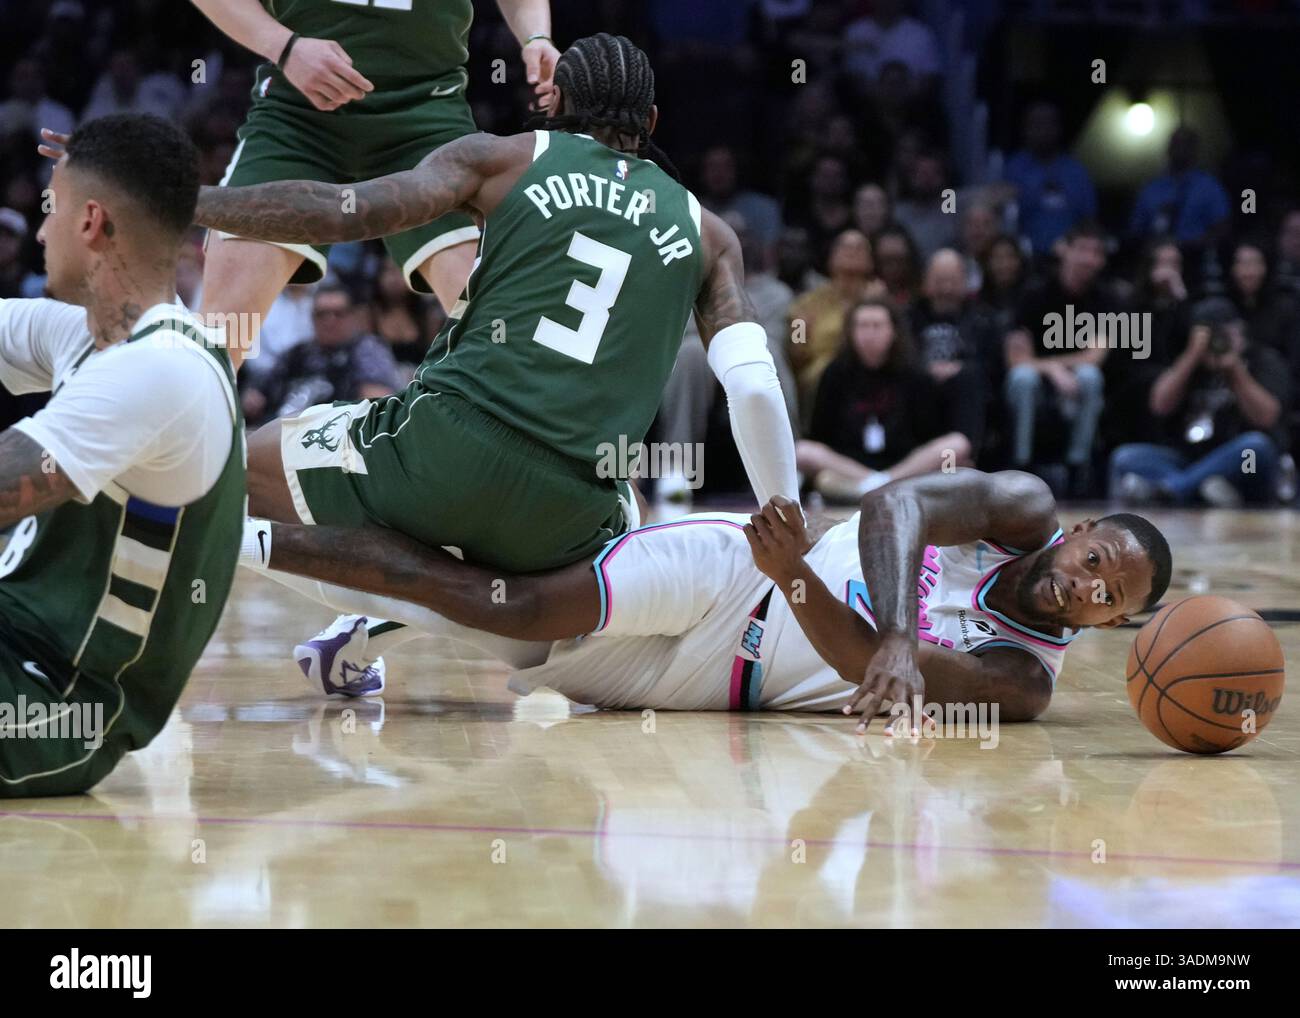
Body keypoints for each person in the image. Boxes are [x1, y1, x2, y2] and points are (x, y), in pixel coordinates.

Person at [187, 34, 800, 692]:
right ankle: (363, 633)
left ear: (554, 101)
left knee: (242, 466)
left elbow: (347, 212)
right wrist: (787, 524)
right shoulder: (711, 234)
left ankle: (191, 549)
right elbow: (757, 391)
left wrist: (187, 201)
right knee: (616, 529)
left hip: (440, 447)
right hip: (567, 510)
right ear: (650, 123)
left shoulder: (500, 158)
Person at [239, 471, 1170, 734]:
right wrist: (890, 625)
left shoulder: (1024, 682)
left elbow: (864, 672)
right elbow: (897, 503)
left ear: (1110, 624)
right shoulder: (1023, 511)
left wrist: (806, 578)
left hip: (711, 686)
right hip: (737, 570)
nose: (1089, 583)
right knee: (515, 603)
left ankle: (356, 635)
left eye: (1109, 597)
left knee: (502, 633)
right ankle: (232, 540)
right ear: (1082, 529)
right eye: (1100, 559)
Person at [0, 114, 244, 796]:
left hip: (55, 708)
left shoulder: (159, 369)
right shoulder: (93, 337)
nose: (40, 232)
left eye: (50, 211)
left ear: (92, 224)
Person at [187, 0, 562, 369]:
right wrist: (283, 46)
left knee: (502, 339)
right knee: (216, 345)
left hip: (426, 119)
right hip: (296, 116)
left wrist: (535, 37)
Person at [1109, 300, 1289, 508]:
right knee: (1125, 458)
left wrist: (1235, 369)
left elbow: (1267, 417)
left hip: (1244, 465)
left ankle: (1172, 489)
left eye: (1223, 333)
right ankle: (1200, 488)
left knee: (1255, 446)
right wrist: (1191, 356)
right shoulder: (1191, 364)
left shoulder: (1263, 360)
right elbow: (1159, 405)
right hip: (1193, 458)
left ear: (1239, 330)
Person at [796, 300, 969, 502]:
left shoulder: (915, 372)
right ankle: (877, 485)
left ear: (893, 331)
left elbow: (932, 434)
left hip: (904, 465)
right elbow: (820, 434)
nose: (869, 334)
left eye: (877, 326)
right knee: (801, 451)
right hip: (849, 466)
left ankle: (879, 485)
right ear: (850, 332)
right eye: (862, 326)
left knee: (956, 445)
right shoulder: (835, 372)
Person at [1002, 222, 1115, 495]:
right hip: (1036, 384)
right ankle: (1021, 467)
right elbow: (1016, 360)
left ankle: (1078, 468)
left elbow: (1094, 358)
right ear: (1064, 250)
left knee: (1090, 377)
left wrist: (1056, 366)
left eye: (1096, 252)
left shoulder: (1107, 299)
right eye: (1082, 249)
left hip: (1075, 388)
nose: (1088, 258)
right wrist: (1052, 369)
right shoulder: (1033, 293)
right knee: (1023, 378)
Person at [250, 283, 401, 424]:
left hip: (333, 437)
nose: (329, 321)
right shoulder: (298, 353)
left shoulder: (367, 350)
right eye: (322, 314)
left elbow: (376, 404)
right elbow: (255, 396)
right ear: (312, 318)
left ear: (353, 316)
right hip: (279, 429)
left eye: (338, 313)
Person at [786, 229, 886, 411]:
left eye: (859, 247)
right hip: (820, 378)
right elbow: (795, 350)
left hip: (870, 372)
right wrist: (800, 336)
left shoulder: (880, 300)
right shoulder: (806, 303)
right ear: (831, 257)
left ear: (871, 261)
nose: (852, 251)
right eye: (845, 246)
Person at [1001, 100, 1098, 257]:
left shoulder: (1076, 171)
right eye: (1036, 125)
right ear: (1025, 130)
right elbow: (1003, 217)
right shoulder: (1013, 169)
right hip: (1024, 256)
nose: (1042, 131)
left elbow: (1088, 220)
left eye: (1048, 124)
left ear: (1058, 129)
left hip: (1068, 256)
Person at [1129, 126, 1229, 255]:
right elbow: (1136, 230)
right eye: (1176, 144)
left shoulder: (1209, 187)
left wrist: (1191, 245)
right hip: (1154, 258)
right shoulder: (1151, 188)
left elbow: (1222, 229)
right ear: (1168, 148)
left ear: (1195, 150)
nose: (1180, 149)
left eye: (1186, 144)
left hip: (1194, 257)